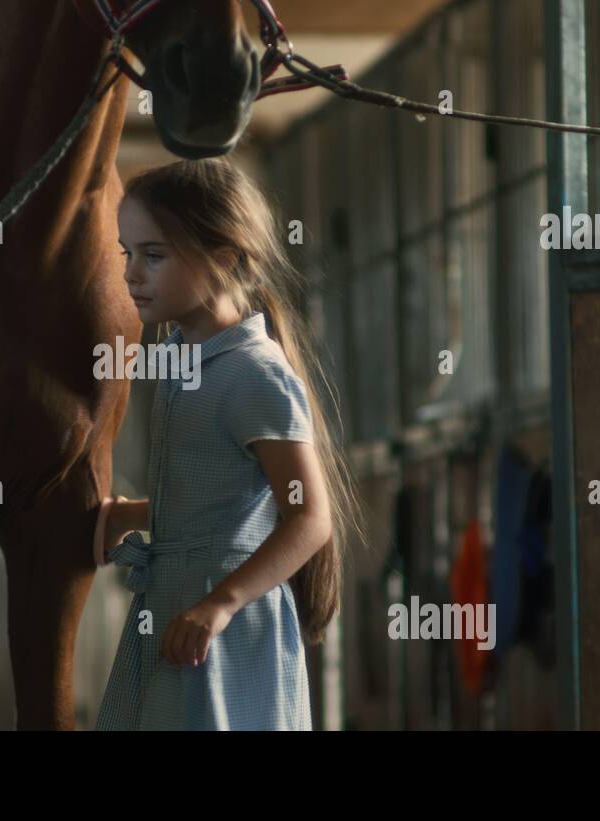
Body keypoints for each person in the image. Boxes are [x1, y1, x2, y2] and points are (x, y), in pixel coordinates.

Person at [94, 157, 364, 730]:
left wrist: (219, 605)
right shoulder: (184, 366)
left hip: (223, 629)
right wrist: (136, 514)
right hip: (171, 610)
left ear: (225, 258)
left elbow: (309, 519)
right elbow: (231, 500)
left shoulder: (254, 374)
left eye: (154, 255)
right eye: (128, 253)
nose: (131, 275)